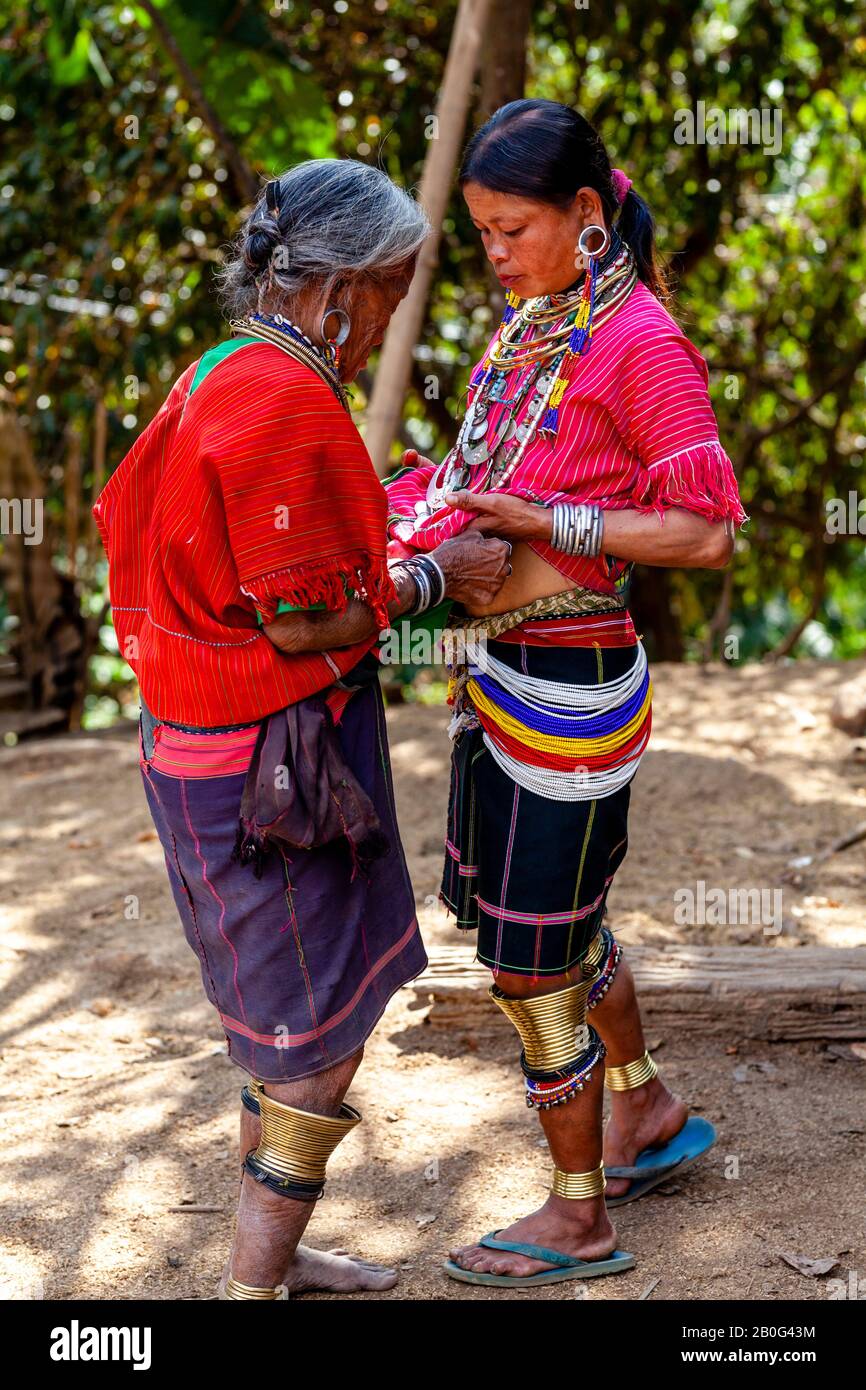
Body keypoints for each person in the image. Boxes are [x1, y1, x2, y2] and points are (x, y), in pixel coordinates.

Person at [93, 158, 510, 1301]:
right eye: (391, 291)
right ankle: (253, 1280)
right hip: (262, 766)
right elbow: (297, 620)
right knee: (314, 1046)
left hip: (197, 740)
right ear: (336, 294)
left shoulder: (223, 369)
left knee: (278, 1023)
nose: (390, 321)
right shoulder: (284, 397)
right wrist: (430, 577)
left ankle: (278, 1249)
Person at [385, 100, 749, 1289]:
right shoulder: (535, 328)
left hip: (570, 691)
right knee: (557, 926)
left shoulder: (641, 345)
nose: (495, 255)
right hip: (502, 682)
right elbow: (484, 471)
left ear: (585, 214)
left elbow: (702, 533)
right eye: (482, 232)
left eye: (514, 229)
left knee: (534, 965)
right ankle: (639, 1110)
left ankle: (578, 1213)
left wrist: (551, 522)